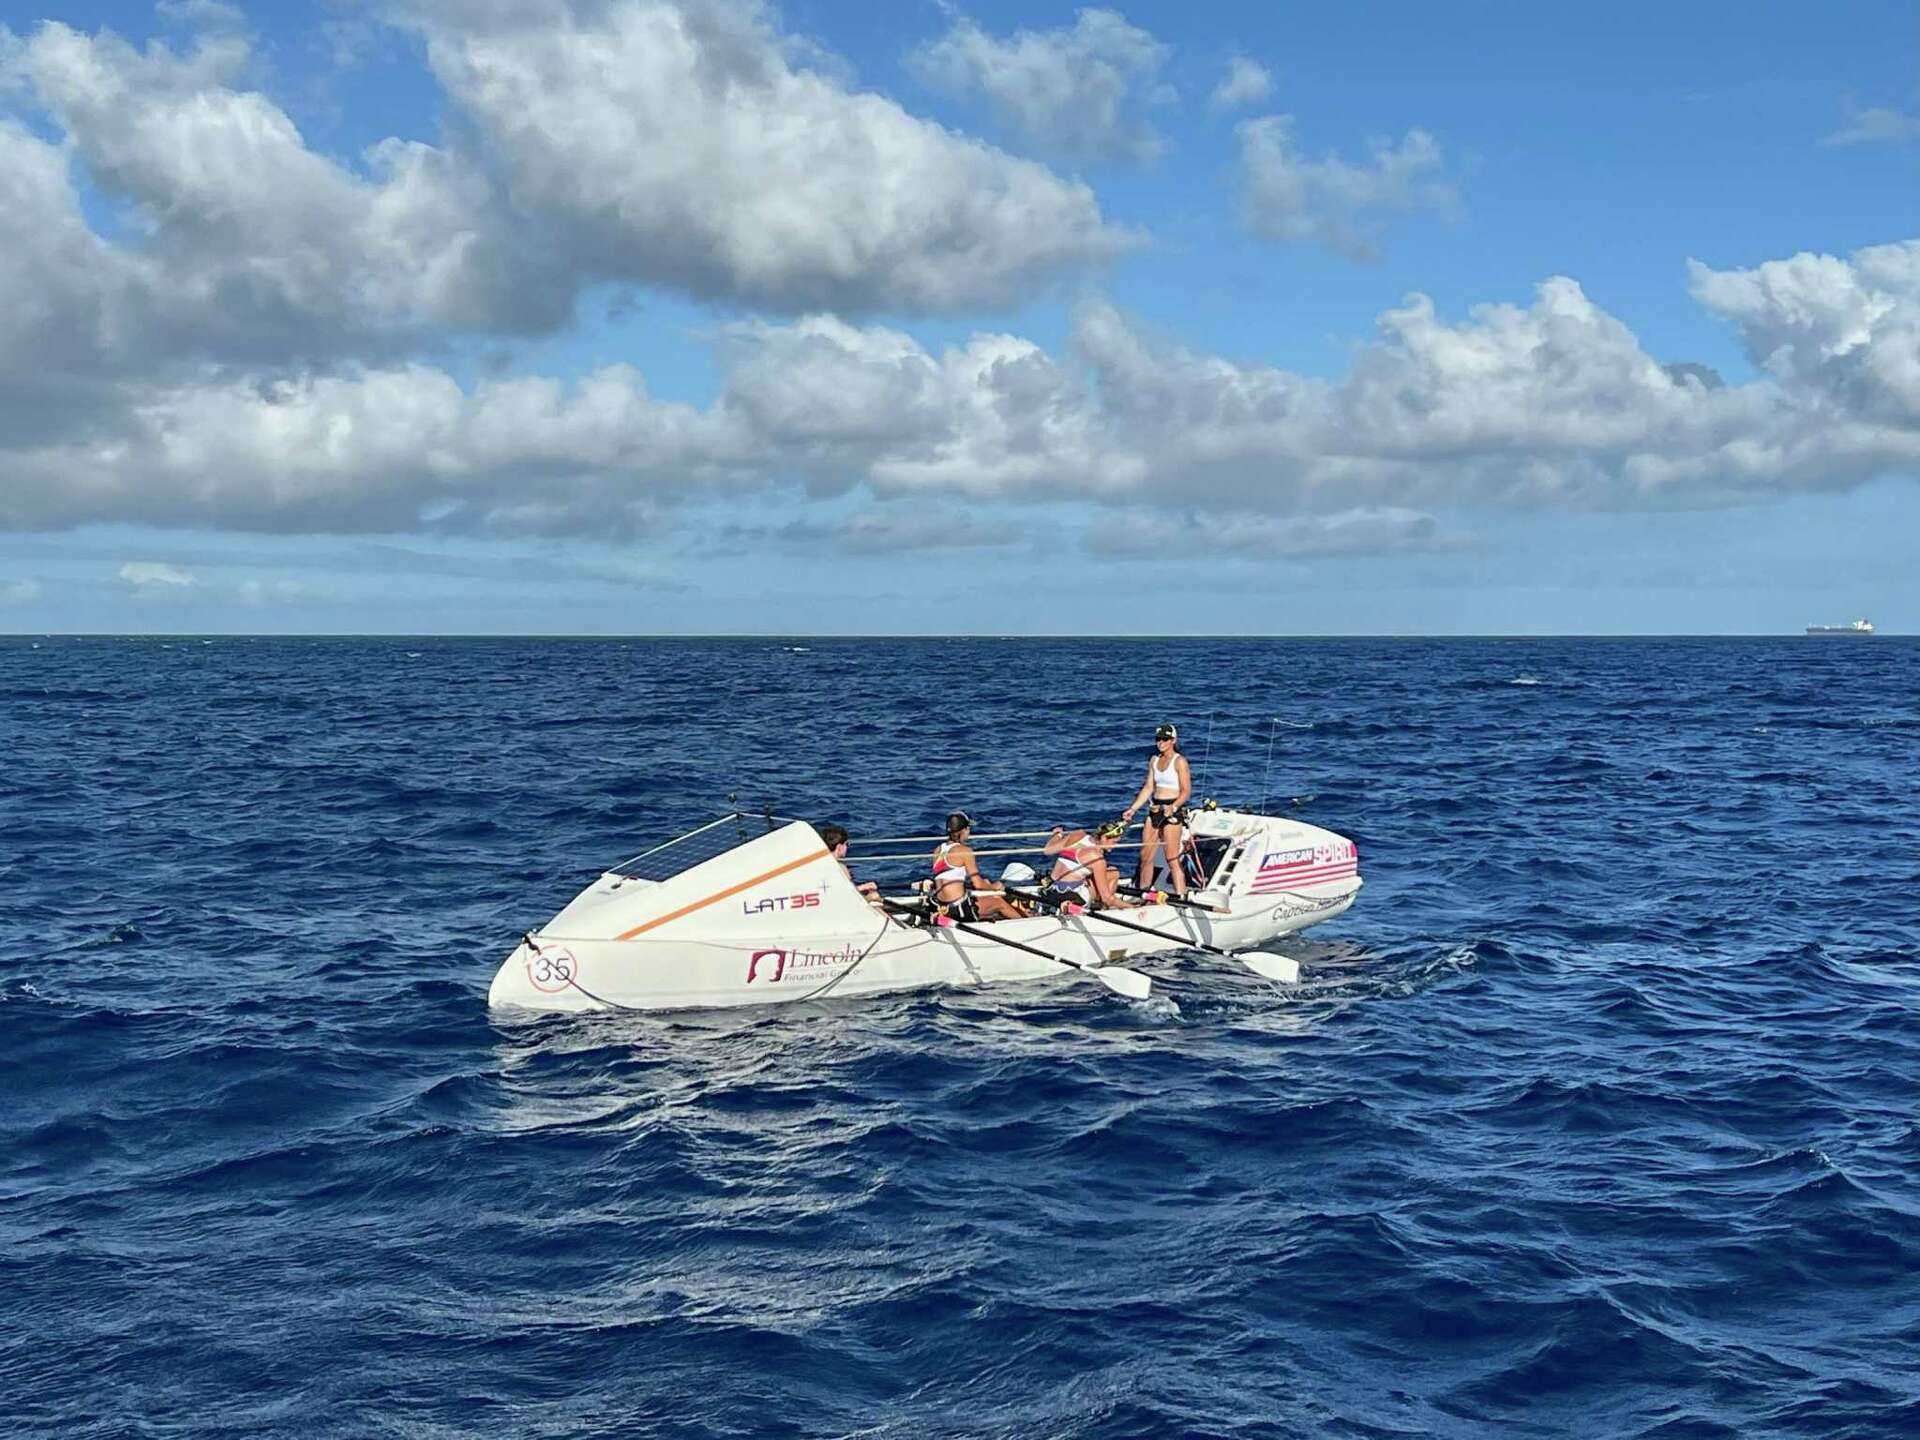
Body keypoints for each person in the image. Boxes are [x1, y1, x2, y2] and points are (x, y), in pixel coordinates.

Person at [1123, 722, 1192, 900]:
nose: (1160, 742)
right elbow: (1148, 787)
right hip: (1155, 810)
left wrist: (1173, 807)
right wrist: (1133, 809)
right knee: (1146, 855)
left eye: (1165, 739)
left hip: (1172, 811)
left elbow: (1186, 791)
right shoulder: (1154, 760)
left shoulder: (1179, 761)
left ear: (1173, 740)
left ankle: (1181, 894)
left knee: (1171, 857)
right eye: (1158, 739)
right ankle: (1143, 893)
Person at [930, 811, 1021, 922]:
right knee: (999, 902)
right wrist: (995, 886)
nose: (969, 832)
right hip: (959, 909)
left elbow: (949, 878)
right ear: (963, 830)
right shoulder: (964, 851)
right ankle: (1026, 924)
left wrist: (985, 885)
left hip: (941, 907)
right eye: (968, 828)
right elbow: (978, 884)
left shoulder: (937, 850)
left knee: (986, 893)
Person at [1041, 819, 1138, 910]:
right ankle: (1101, 908)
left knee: (1111, 872)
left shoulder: (1077, 835)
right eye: (1114, 842)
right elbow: (1107, 898)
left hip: (1051, 888)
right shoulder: (1097, 859)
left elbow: (1047, 850)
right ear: (1104, 837)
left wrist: (1057, 835)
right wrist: (1133, 908)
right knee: (1114, 873)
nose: (1114, 846)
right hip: (1072, 896)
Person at [819, 823, 884, 910]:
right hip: (838, 905)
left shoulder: (819, 864)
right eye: (847, 844)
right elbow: (842, 893)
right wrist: (864, 887)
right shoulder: (839, 867)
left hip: (826, 903)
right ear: (839, 847)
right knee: (874, 896)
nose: (847, 847)